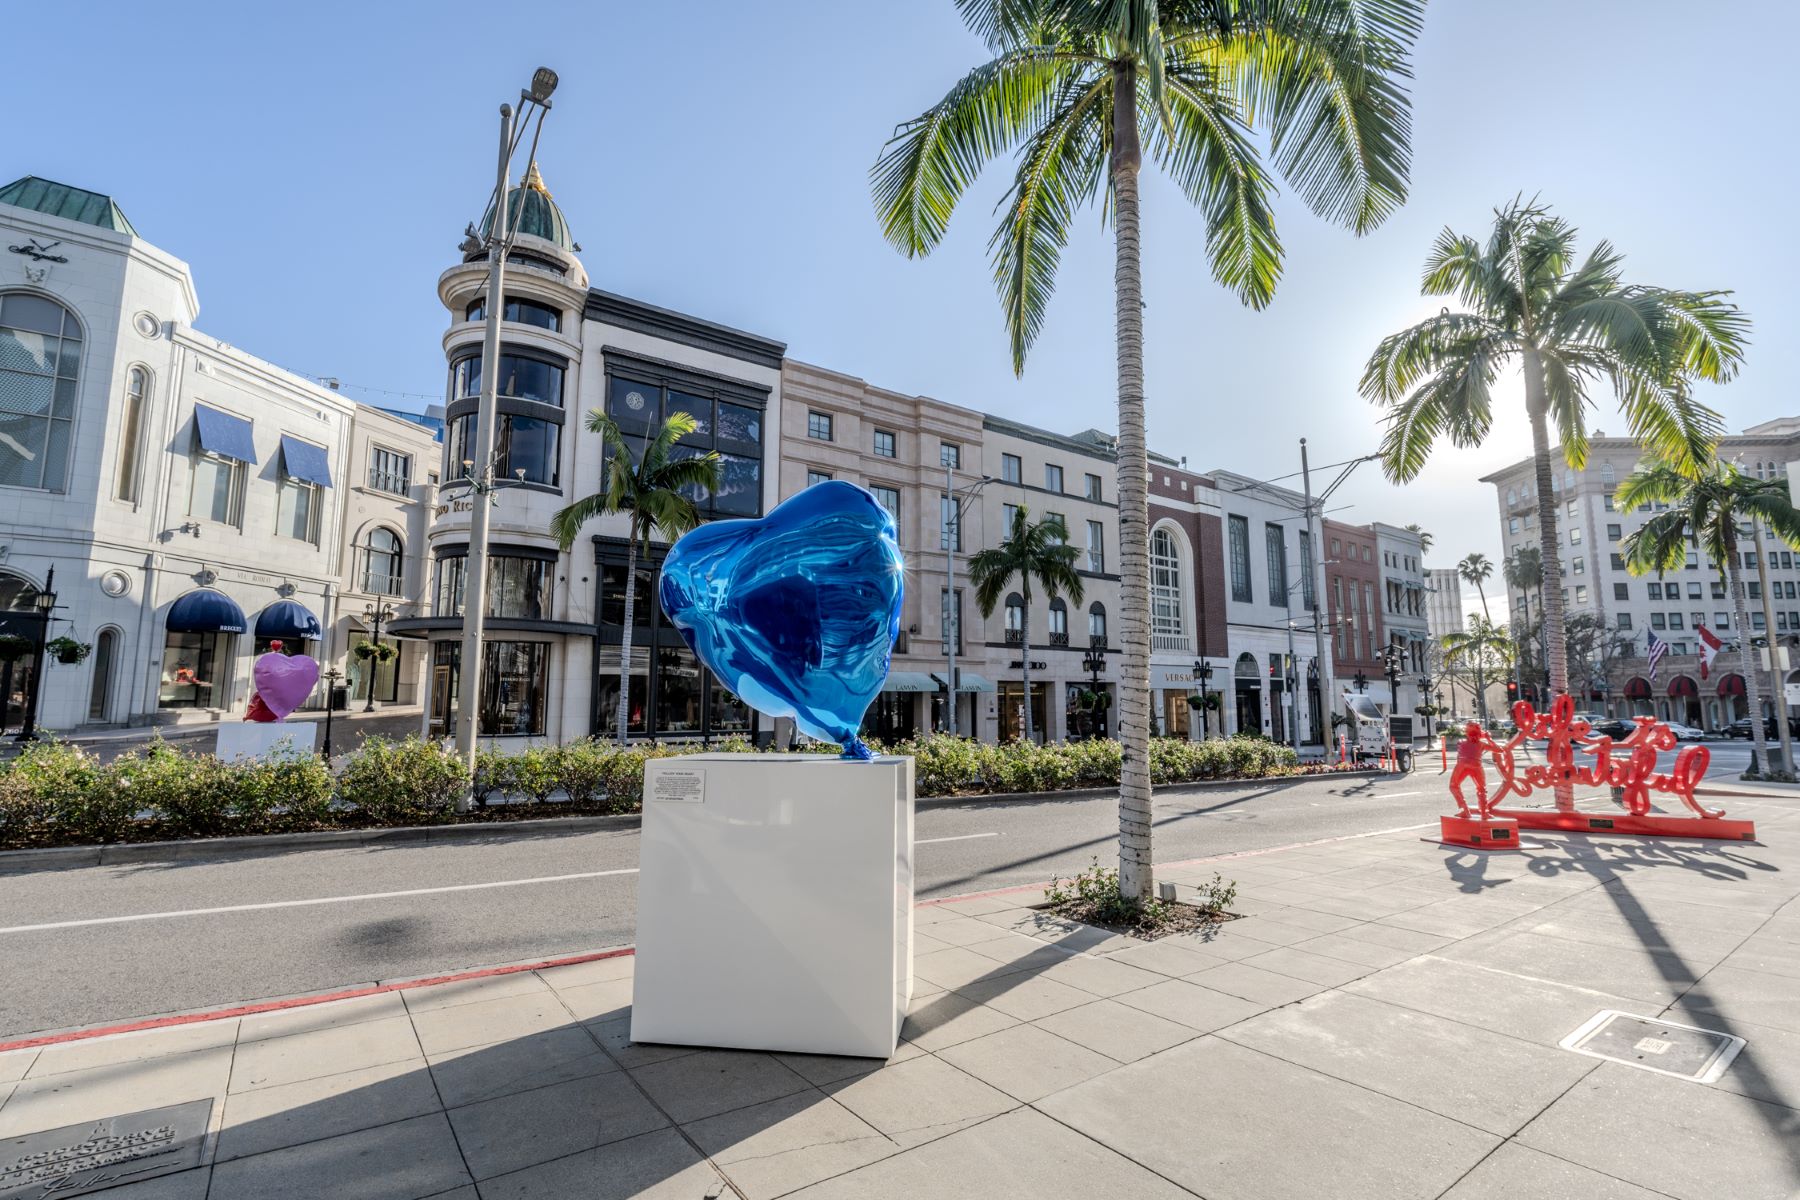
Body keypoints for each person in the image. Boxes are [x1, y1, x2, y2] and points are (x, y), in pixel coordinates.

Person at [1449, 721, 1492, 818]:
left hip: (1462, 765)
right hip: (1476, 766)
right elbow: (1499, 750)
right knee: (1481, 788)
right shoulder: (1482, 744)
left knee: (1453, 786)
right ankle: (1484, 813)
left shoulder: (1460, 743)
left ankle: (1465, 810)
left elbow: (1459, 757)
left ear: (1466, 733)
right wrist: (1489, 739)